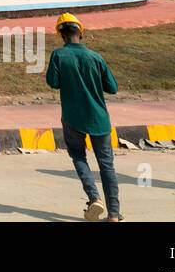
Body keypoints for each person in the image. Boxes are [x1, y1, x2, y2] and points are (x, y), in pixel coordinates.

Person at [45, 12, 122, 222]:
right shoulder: (96, 57)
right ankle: (114, 214)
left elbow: (53, 82)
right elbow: (113, 88)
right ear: (81, 32)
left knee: (79, 156)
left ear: (61, 35)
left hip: (72, 118)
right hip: (99, 118)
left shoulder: (58, 56)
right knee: (107, 165)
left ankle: (94, 197)